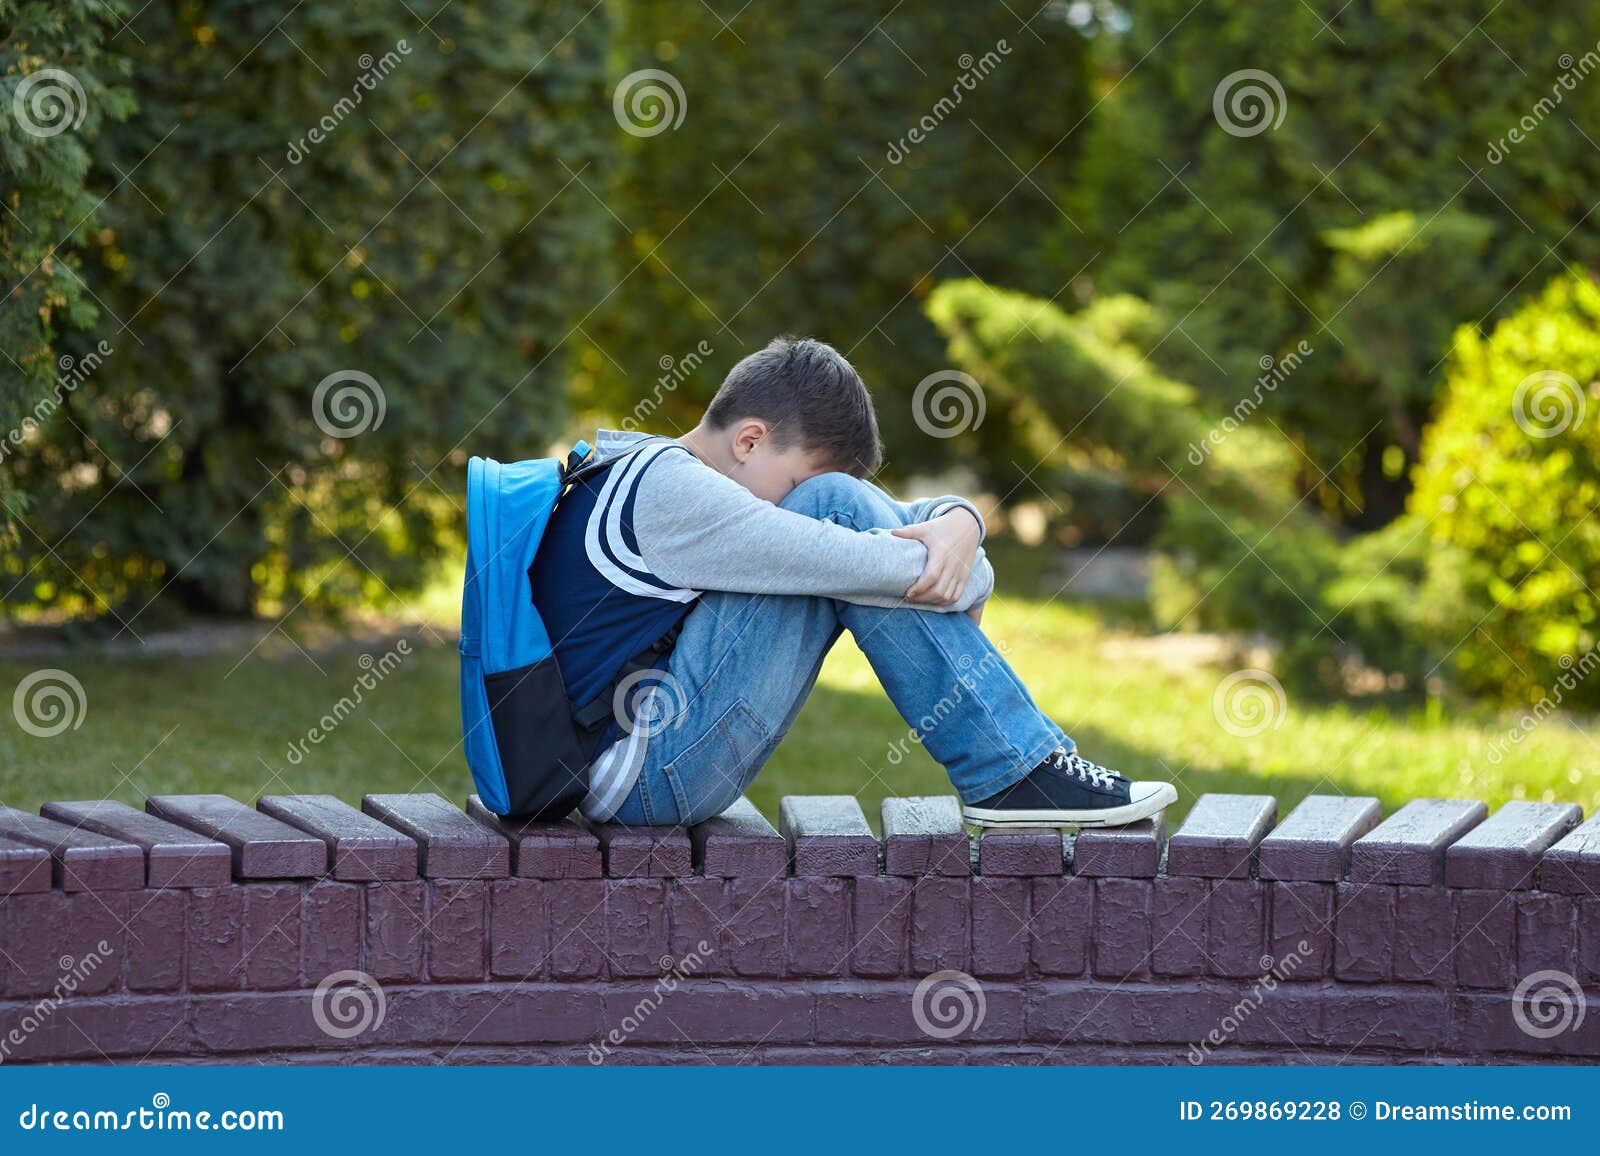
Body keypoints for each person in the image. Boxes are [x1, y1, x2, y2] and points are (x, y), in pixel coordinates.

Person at [530, 336, 1177, 829]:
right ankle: (1012, 772)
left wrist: (959, 525)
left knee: (838, 504)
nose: (790, 502)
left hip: (653, 756)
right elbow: (867, 560)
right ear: (750, 441)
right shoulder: (672, 492)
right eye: (791, 484)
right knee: (834, 504)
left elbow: (893, 556)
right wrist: (963, 542)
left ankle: (1018, 770)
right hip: (638, 775)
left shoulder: (645, 464)